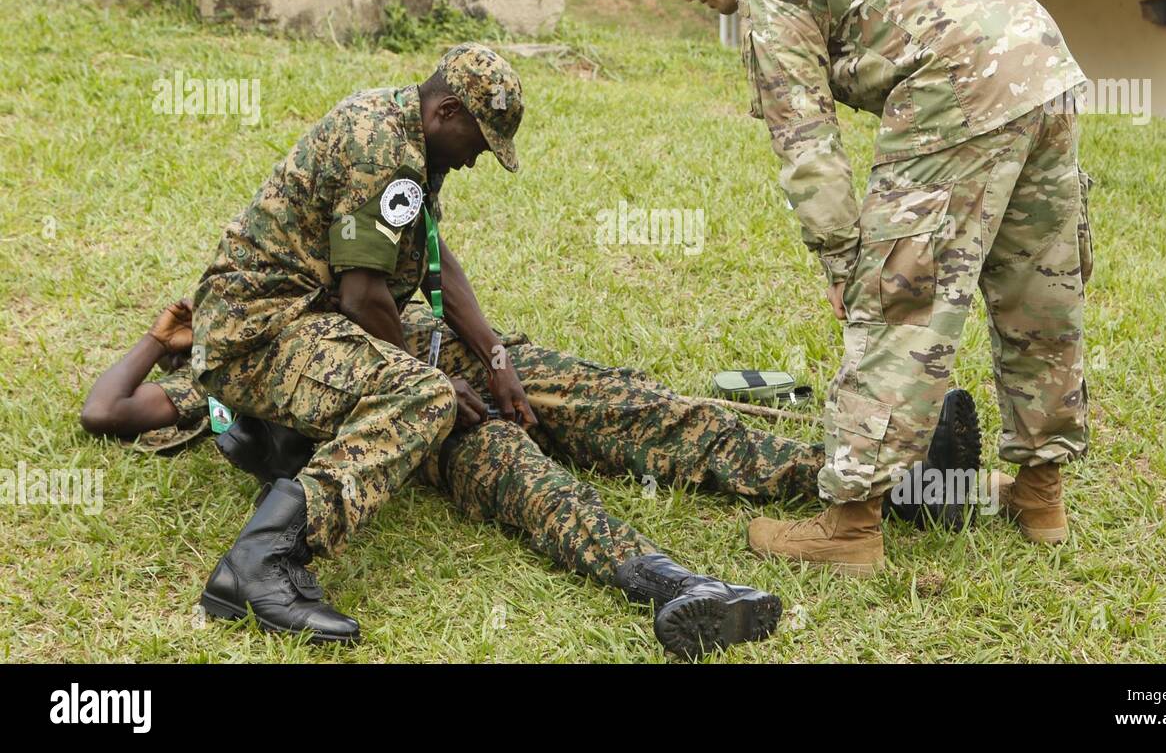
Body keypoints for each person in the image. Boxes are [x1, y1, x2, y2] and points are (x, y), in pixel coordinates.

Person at [181, 42, 800, 656]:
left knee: (558, 385)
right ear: (446, 111)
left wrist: (495, 358)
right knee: (443, 411)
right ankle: (258, 564)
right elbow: (362, 294)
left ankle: (826, 476)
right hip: (265, 336)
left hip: (343, 329)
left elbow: (428, 254)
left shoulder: (410, 139)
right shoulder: (380, 147)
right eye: (478, 144)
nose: (476, 162)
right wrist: (432, 386)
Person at [83, 294, 984, 655]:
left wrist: (486, 355)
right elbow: (104, 413)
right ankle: (675, 585)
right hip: (425, 428)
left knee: (649, 413)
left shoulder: (317, 284)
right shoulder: (229, 383)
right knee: (536, 488)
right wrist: (161, 343)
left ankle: (893, 486)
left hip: (467, 367)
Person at [644, 0, 1095, 575]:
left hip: (956, 87)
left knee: (898, 300)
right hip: (1042, 66)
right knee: (1041, 292)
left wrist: (843, 262)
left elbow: (807, 144)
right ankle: (1041, 498)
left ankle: (850, 529)